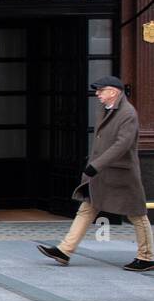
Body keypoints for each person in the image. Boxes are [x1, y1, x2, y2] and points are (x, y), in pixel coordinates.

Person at [38, 75, 154, 271]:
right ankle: (65, 250)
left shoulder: (128, 114)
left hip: (121, 175)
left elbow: (122, 145)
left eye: (101, 91)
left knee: (137, 213)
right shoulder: (105, 109)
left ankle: (146, 257)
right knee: (87, 208)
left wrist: (97, 164)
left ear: (113, 92)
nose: (97, 94)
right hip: (102, 173)